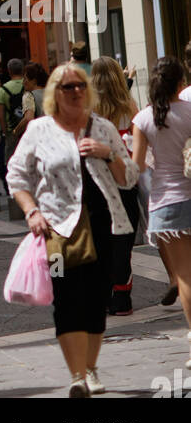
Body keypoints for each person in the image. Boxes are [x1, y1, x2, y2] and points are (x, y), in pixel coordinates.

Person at [7, 63, 137, 398]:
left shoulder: (104, 128)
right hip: (57, 230)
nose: (76, 91)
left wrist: (108, 154)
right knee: (66, 301)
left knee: (96, 301)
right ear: (55, 93)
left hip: (105, 226)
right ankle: (76, 376)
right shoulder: (39, 130)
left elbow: (130, 178)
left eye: (81, 85)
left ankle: (91, 369)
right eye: (68, 87)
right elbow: (16, 176)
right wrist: (31, 211)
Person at [131, 56, 191, 368]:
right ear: (181, 83)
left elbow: (137, 167)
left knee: (185, 278)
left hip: (167, 204)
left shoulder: (143, 119)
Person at [91, 56, 138, 315]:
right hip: (124, 177)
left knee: (101, 236)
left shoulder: (89, 108)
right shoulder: (129, 105)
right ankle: (122, 297)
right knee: (124, 238)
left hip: (97, 179)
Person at [0, 59, 27, 160]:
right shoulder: (29, 85)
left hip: (12, 129)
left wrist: (5, 132)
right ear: (23, 70)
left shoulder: (2, 90)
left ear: (9, 71)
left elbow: (0, 116)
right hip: (29, 127)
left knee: (12, 160)